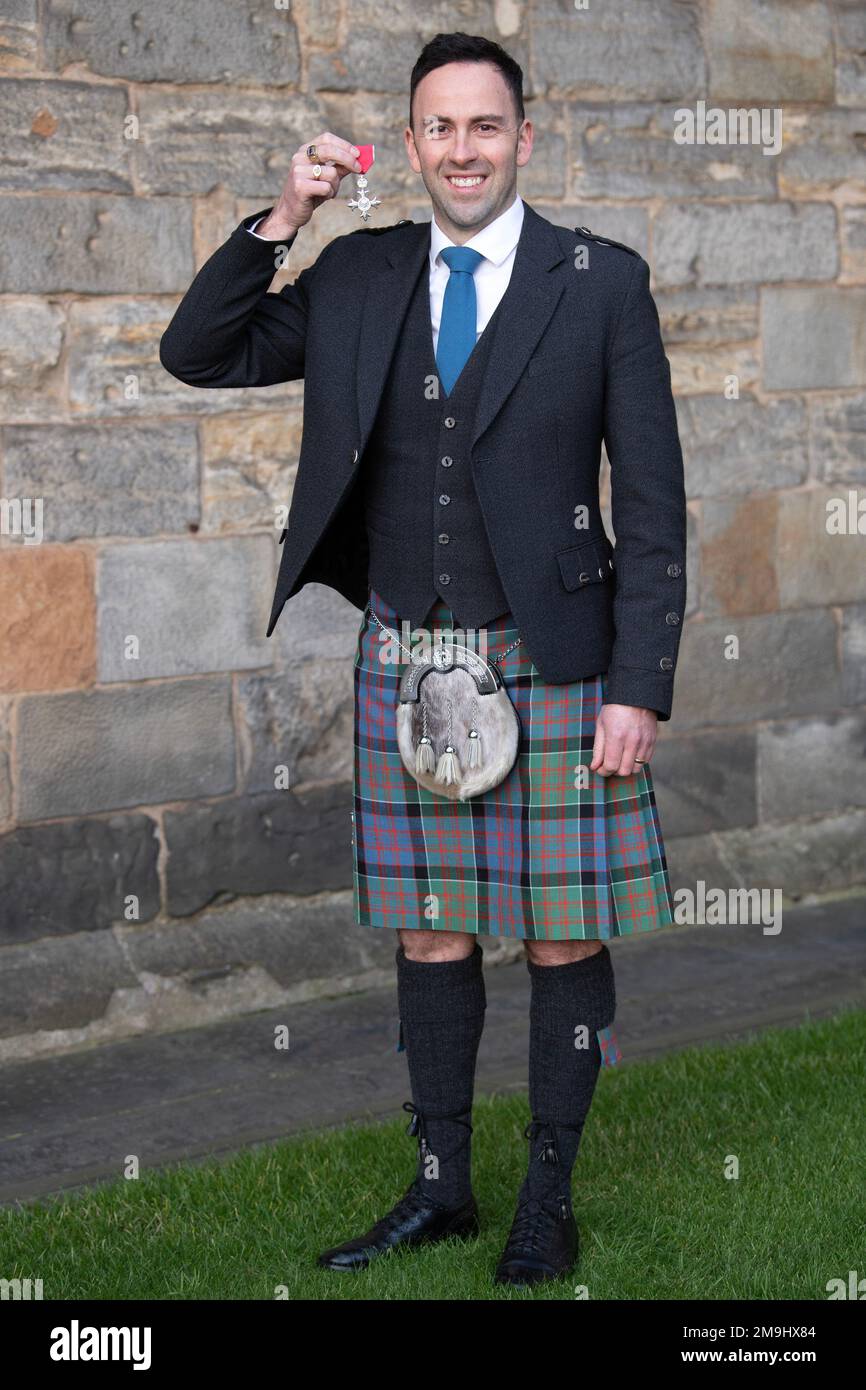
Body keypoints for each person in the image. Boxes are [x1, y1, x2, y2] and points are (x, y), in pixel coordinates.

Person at [160, 30, 687, 1287]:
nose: (462, 149)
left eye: (484, 125)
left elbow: (653, 503)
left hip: (556, 657)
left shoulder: (598, 281)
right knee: (430, 931)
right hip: (407, 648)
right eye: (439, 127)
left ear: (522, 138)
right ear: (407, 144)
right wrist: (285, 214)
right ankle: (442, 1186)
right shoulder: (358, 272)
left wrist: (637, 685)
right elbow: (200, 351)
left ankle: (544, 1198)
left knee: (560, 935)